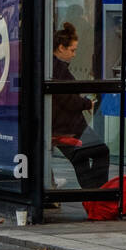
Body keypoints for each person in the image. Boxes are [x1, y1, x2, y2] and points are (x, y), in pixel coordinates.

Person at [51, 22, 111, 190]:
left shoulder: (54, 66)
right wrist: (86, 103)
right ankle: (98, 195)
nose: (74, 54)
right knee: (101, 151)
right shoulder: (58, 69)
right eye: (72, 50)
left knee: (81, 160)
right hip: (69, 127)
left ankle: (94, 196)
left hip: (63, 126)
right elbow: (67, 99)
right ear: (61, 48)